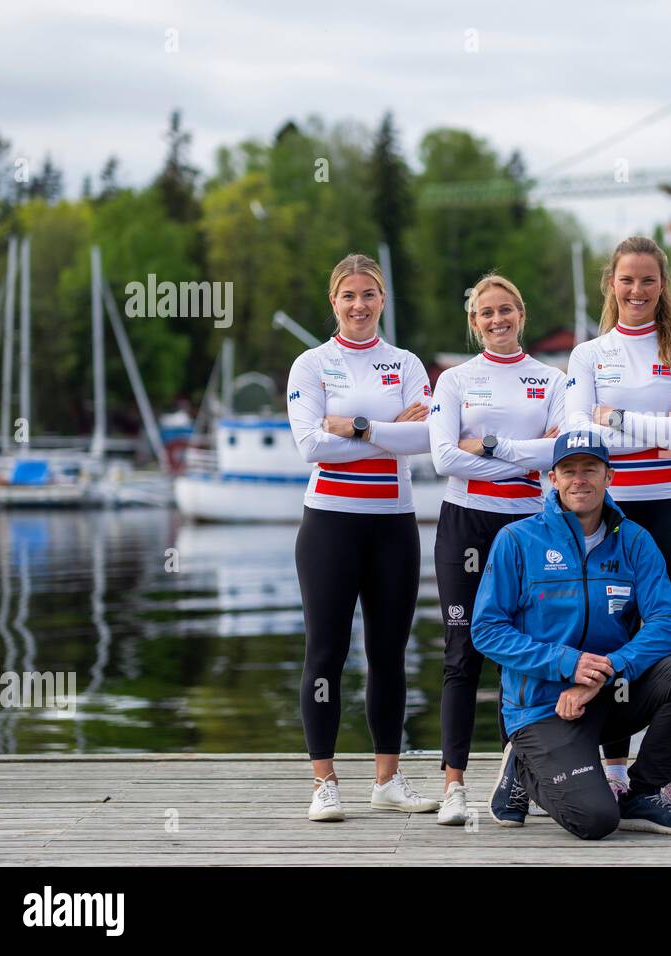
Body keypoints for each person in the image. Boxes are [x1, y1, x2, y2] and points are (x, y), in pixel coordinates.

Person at [471, 430, 671, 839]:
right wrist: (567, 664)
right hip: (545, 707)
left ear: (609, 477)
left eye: (590, 469)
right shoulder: (517, 539)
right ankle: (524, 763)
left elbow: (667, 624)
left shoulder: (635, 540)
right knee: (596, 820)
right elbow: (488, 630)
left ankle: (643, 793)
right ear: (553, 479)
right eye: (568, 470)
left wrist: (607, 670)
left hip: (608, 692)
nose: (579, 479)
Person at [286, 253, 439, 822]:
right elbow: (311, 447)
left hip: (392, 524)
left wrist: (353, 424)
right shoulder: (311, 365)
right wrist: (387, 431)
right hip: (330, 524)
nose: (359, 305)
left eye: (369, 294)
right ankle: (323, 779)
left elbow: (424, 438)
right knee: (325, 653)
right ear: (334, 301)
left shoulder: (405, 363)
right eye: (349, 295)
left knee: (388, 654)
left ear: (382, 300)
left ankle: (387, 777)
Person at [564, 236, 671, 815]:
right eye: (627, 279)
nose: (637, 290)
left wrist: (617, 418)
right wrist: (660, 427)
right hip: (613, 511)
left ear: (662, 286)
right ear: (611, 285)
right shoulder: (587, 355)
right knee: (610, 632)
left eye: (648, 280)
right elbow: (581, 435)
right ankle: (615, 770)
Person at [429, 274, 564, 825]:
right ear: (473, 321)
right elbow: (443, 459)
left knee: (527, 654)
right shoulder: (455, 381)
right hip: (465, 522)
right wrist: (523, 459)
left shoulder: (551, 379)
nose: (496, 319)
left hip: (530, 525)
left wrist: (485, 444)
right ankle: (454, 786)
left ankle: (517, 773)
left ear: (521, 314)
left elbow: (560, 450)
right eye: (486, 312)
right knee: (462, 656)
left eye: (506, 309)